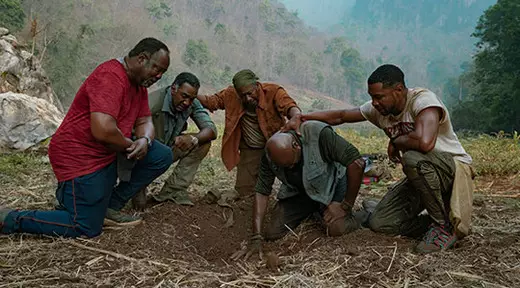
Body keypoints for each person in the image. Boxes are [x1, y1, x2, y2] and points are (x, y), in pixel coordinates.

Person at [283, 64, 475, 254]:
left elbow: (425, 143)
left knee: (413, 159)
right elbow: (341, 116)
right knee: (380, 223)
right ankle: (442, 224)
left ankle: (442, 227)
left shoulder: (423, 101)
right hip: (424, 177)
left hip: (452, 171)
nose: (374, 102)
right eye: (371, 97)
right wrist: (302, 117)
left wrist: (397, 141)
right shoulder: (380, 111)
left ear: (398, 90)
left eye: (379, 97)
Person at [0, 38, 174, 238]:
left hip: (108, 153)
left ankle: (109, 206)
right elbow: (103, 131)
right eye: (157, 69)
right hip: (79, 156)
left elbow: (145, 121)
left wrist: (144, 141)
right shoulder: (111, 76)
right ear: (142, 59)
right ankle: (10, 219)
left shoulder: (139, 86)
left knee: (161, 155)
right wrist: (131, 145)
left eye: (162, 73)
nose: (159, 76)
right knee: (85, 226)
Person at [231, 120, 366, 260]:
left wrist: (344, 205)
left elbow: (357, 163)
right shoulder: (270, 154)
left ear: (296, 146)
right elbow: (262, 190)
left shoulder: (318, 134)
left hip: (334, 184)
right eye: (284, 167)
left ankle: (364, 215)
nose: (290, 168)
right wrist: (256, 237)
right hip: (301, 191)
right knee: (272, 233)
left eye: (291, 164)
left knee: (336, 228)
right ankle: (315, 208)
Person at [197, 69, 301, 199]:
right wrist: (192, 94)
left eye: (250, 93)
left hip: (276, 145)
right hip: (250, 149)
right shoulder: (231, 94)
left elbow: (289, 105)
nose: (247, 98)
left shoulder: (273, 91)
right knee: (244, 192)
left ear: (257, 86)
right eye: (242, 95)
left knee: (293, 183)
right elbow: (211, 101)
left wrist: (296, 117)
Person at [131, 72, 217, 208]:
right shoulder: (152, 105)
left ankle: (173, 191)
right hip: (145, 153)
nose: (187, 102)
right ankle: (138, 184)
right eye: (184, 96)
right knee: (139, 204)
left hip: (167, 149)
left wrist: (193, 139)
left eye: (191, 98)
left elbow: (211, 130)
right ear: (173, 89)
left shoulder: (191, 103)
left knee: (202, 142)